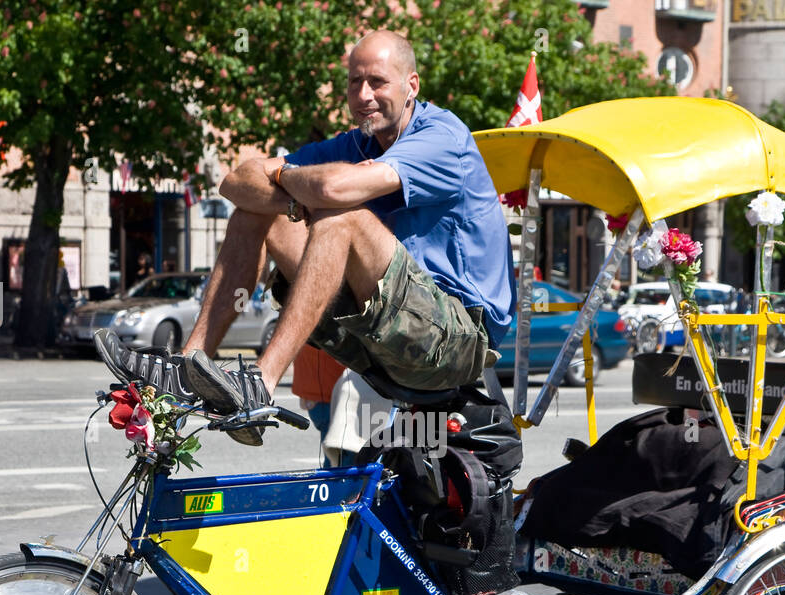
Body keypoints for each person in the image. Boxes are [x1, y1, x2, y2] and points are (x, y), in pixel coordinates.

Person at [97, 29, 515, 445]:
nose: (364, 94)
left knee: (341, 219)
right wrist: (296, 199)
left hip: (457, 340)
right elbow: (235, 182)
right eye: (355, 82)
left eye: (378, 82)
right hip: (383, 327)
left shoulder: (442, 137)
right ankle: (184, 369)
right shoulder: (354, 144)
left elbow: (333, 192)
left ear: (412, 85)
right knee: (256, 214)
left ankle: (259, 384)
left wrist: (283, 176)